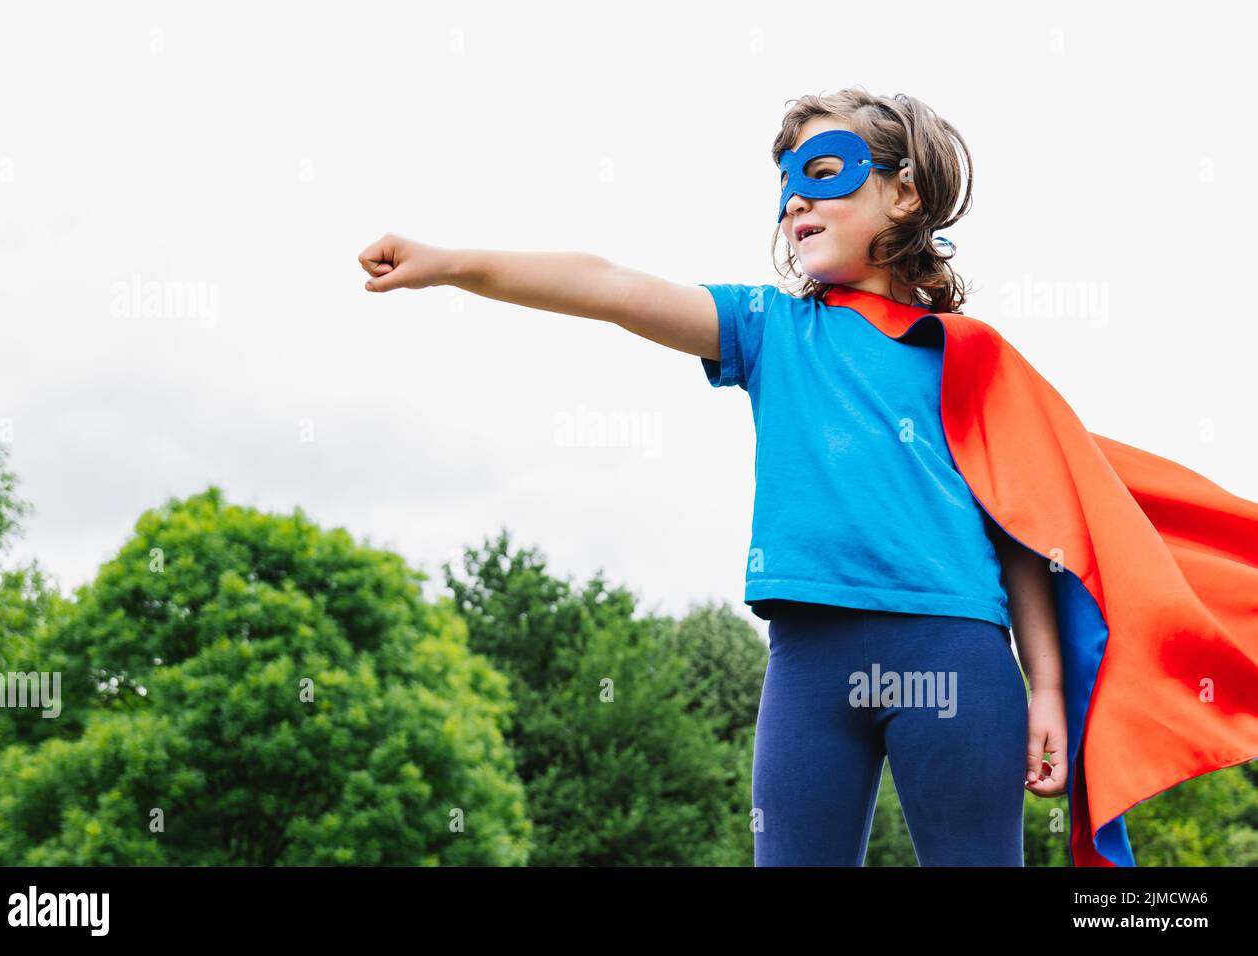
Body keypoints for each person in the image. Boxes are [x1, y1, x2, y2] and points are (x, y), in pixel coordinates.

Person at [357, 87, 1258, 868]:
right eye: (784, 181)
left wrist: (1050, 687)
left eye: (822, 170)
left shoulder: (973, 359)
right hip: (806, 665)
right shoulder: (768, 329)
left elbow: (1033, 530)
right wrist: (451, 265)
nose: (794, 199)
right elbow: (609, 283)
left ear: (905, 191)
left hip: (952, 657)